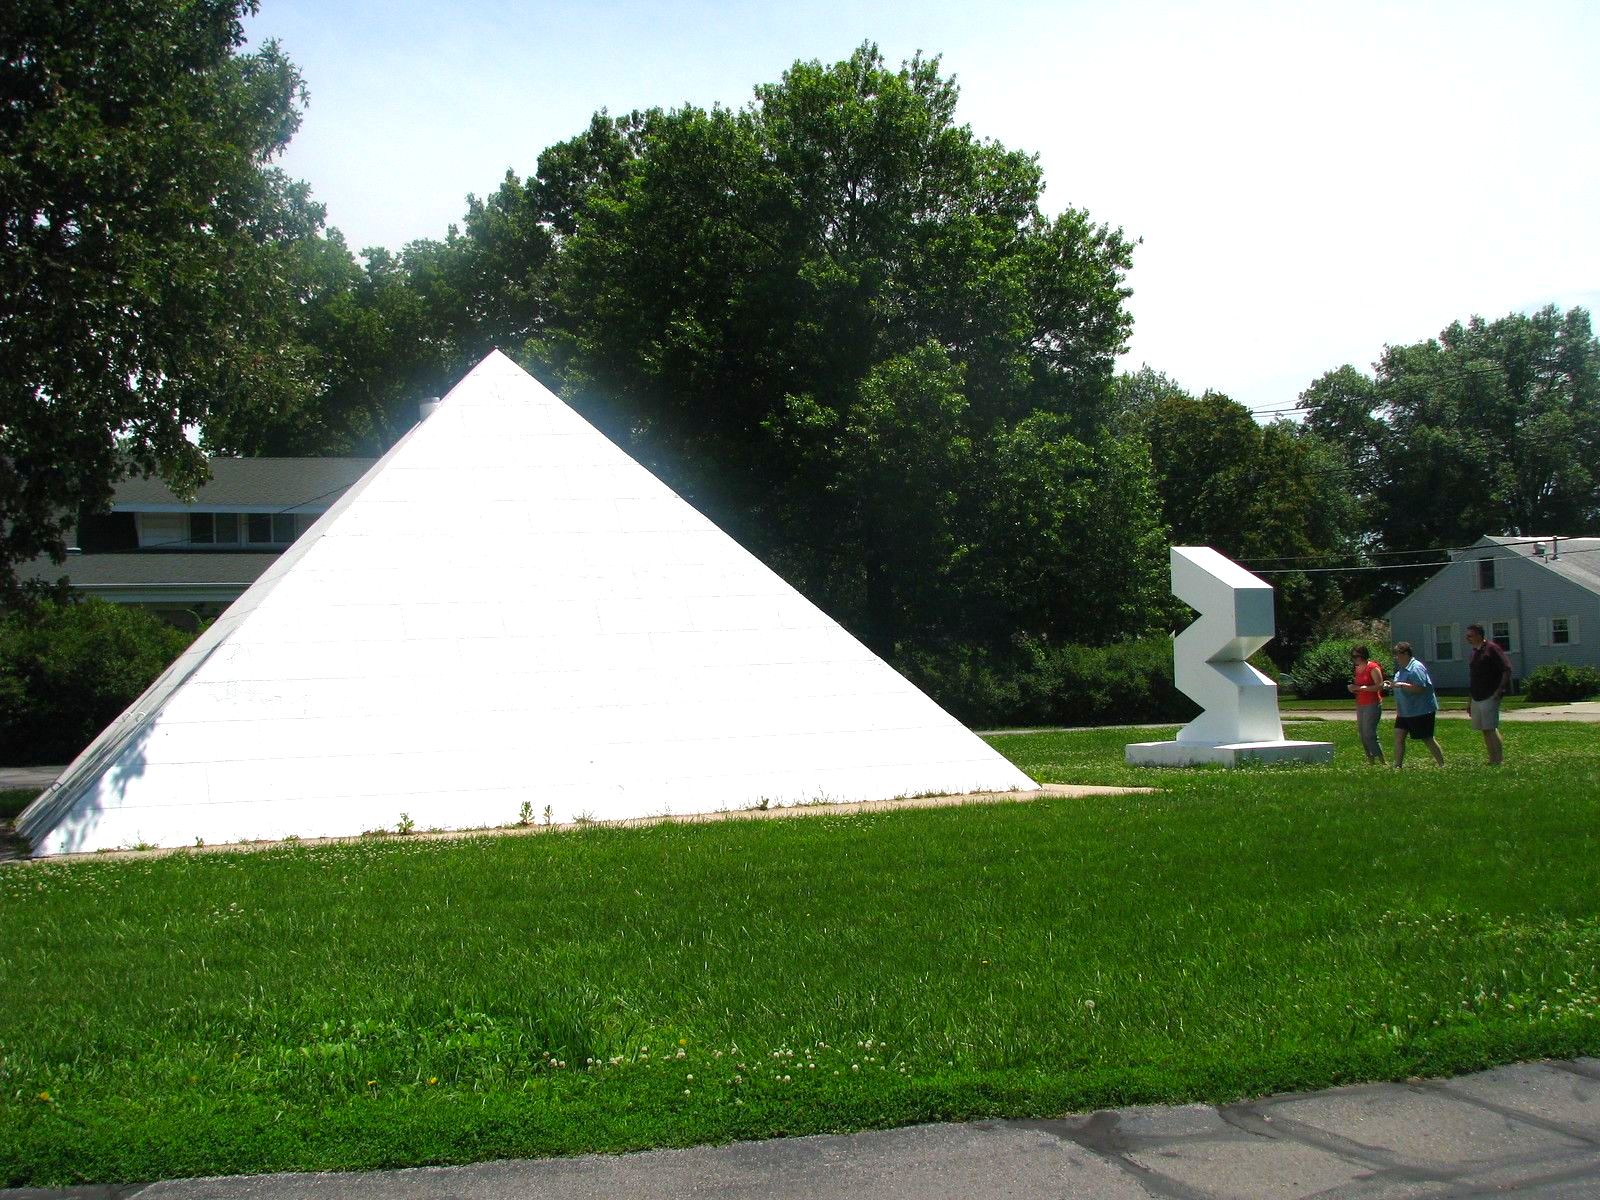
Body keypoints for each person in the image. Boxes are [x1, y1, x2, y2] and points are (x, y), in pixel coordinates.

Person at [1385, 642, 1445, 768]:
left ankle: (1441, 765)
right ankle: (1397, 766)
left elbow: (1419, 688)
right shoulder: (1402, 669)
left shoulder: (1416, 668)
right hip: (1404, 712)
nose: (1396, 657)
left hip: (1421, 710)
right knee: (1399, 736)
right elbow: (1399, 684)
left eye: (1398, 654)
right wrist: (1391, 685)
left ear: (1406, 654)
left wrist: (1400, 685)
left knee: (1427, 738)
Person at [1465, 623, 1512, 765]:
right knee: (1484, 729)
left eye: (1470, 636)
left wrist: (1499, 690)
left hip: (1490, 694)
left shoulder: (1492, 649)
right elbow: (1473, 677)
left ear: (1479, 635)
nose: (1467, 639)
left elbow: (1507, 669)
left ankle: (1499, 759)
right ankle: (1492, 759)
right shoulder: (1475, 652)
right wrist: (1469, 700)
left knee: (1490, 728)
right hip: (1476, 696)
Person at [1347, 644, 1386, 763]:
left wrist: (1363, 688)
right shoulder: (1357, 668)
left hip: (1372, 703)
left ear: (1363, 656)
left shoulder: (1373, 667)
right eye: (1353, 657)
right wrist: (1353, 688)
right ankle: (1370, 759)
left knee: (1369, 732)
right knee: (1362, 733)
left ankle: (1381, 760)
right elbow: (1358, 686)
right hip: (1361, 703)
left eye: (1357, 656)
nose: (1355, 659)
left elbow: (1380, 685)